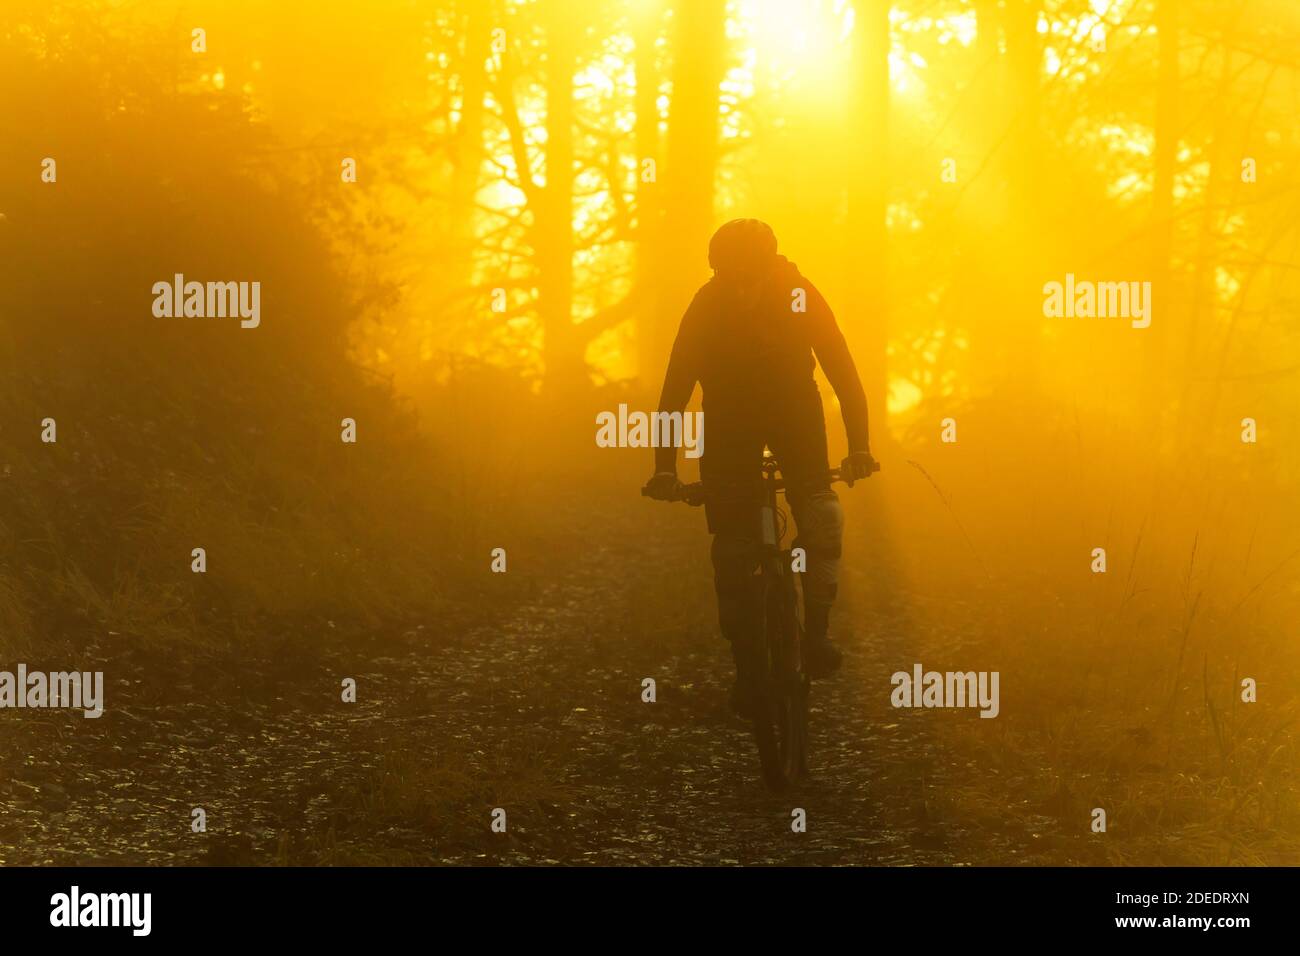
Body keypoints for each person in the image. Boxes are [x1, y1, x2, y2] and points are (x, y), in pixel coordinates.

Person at [643, 218, 876, 715]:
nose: (743, 288)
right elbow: (675, 389)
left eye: (752, 276)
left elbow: (842, 369)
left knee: (822, 518)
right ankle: (748, 670)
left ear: (771, 267)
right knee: (731, 552)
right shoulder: (707, 305)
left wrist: (859, 446)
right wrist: (664, 466)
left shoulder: (798, 293)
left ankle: (816, 635)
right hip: (729, 422)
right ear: (718, 273)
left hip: (795, 413)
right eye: (732, 277)